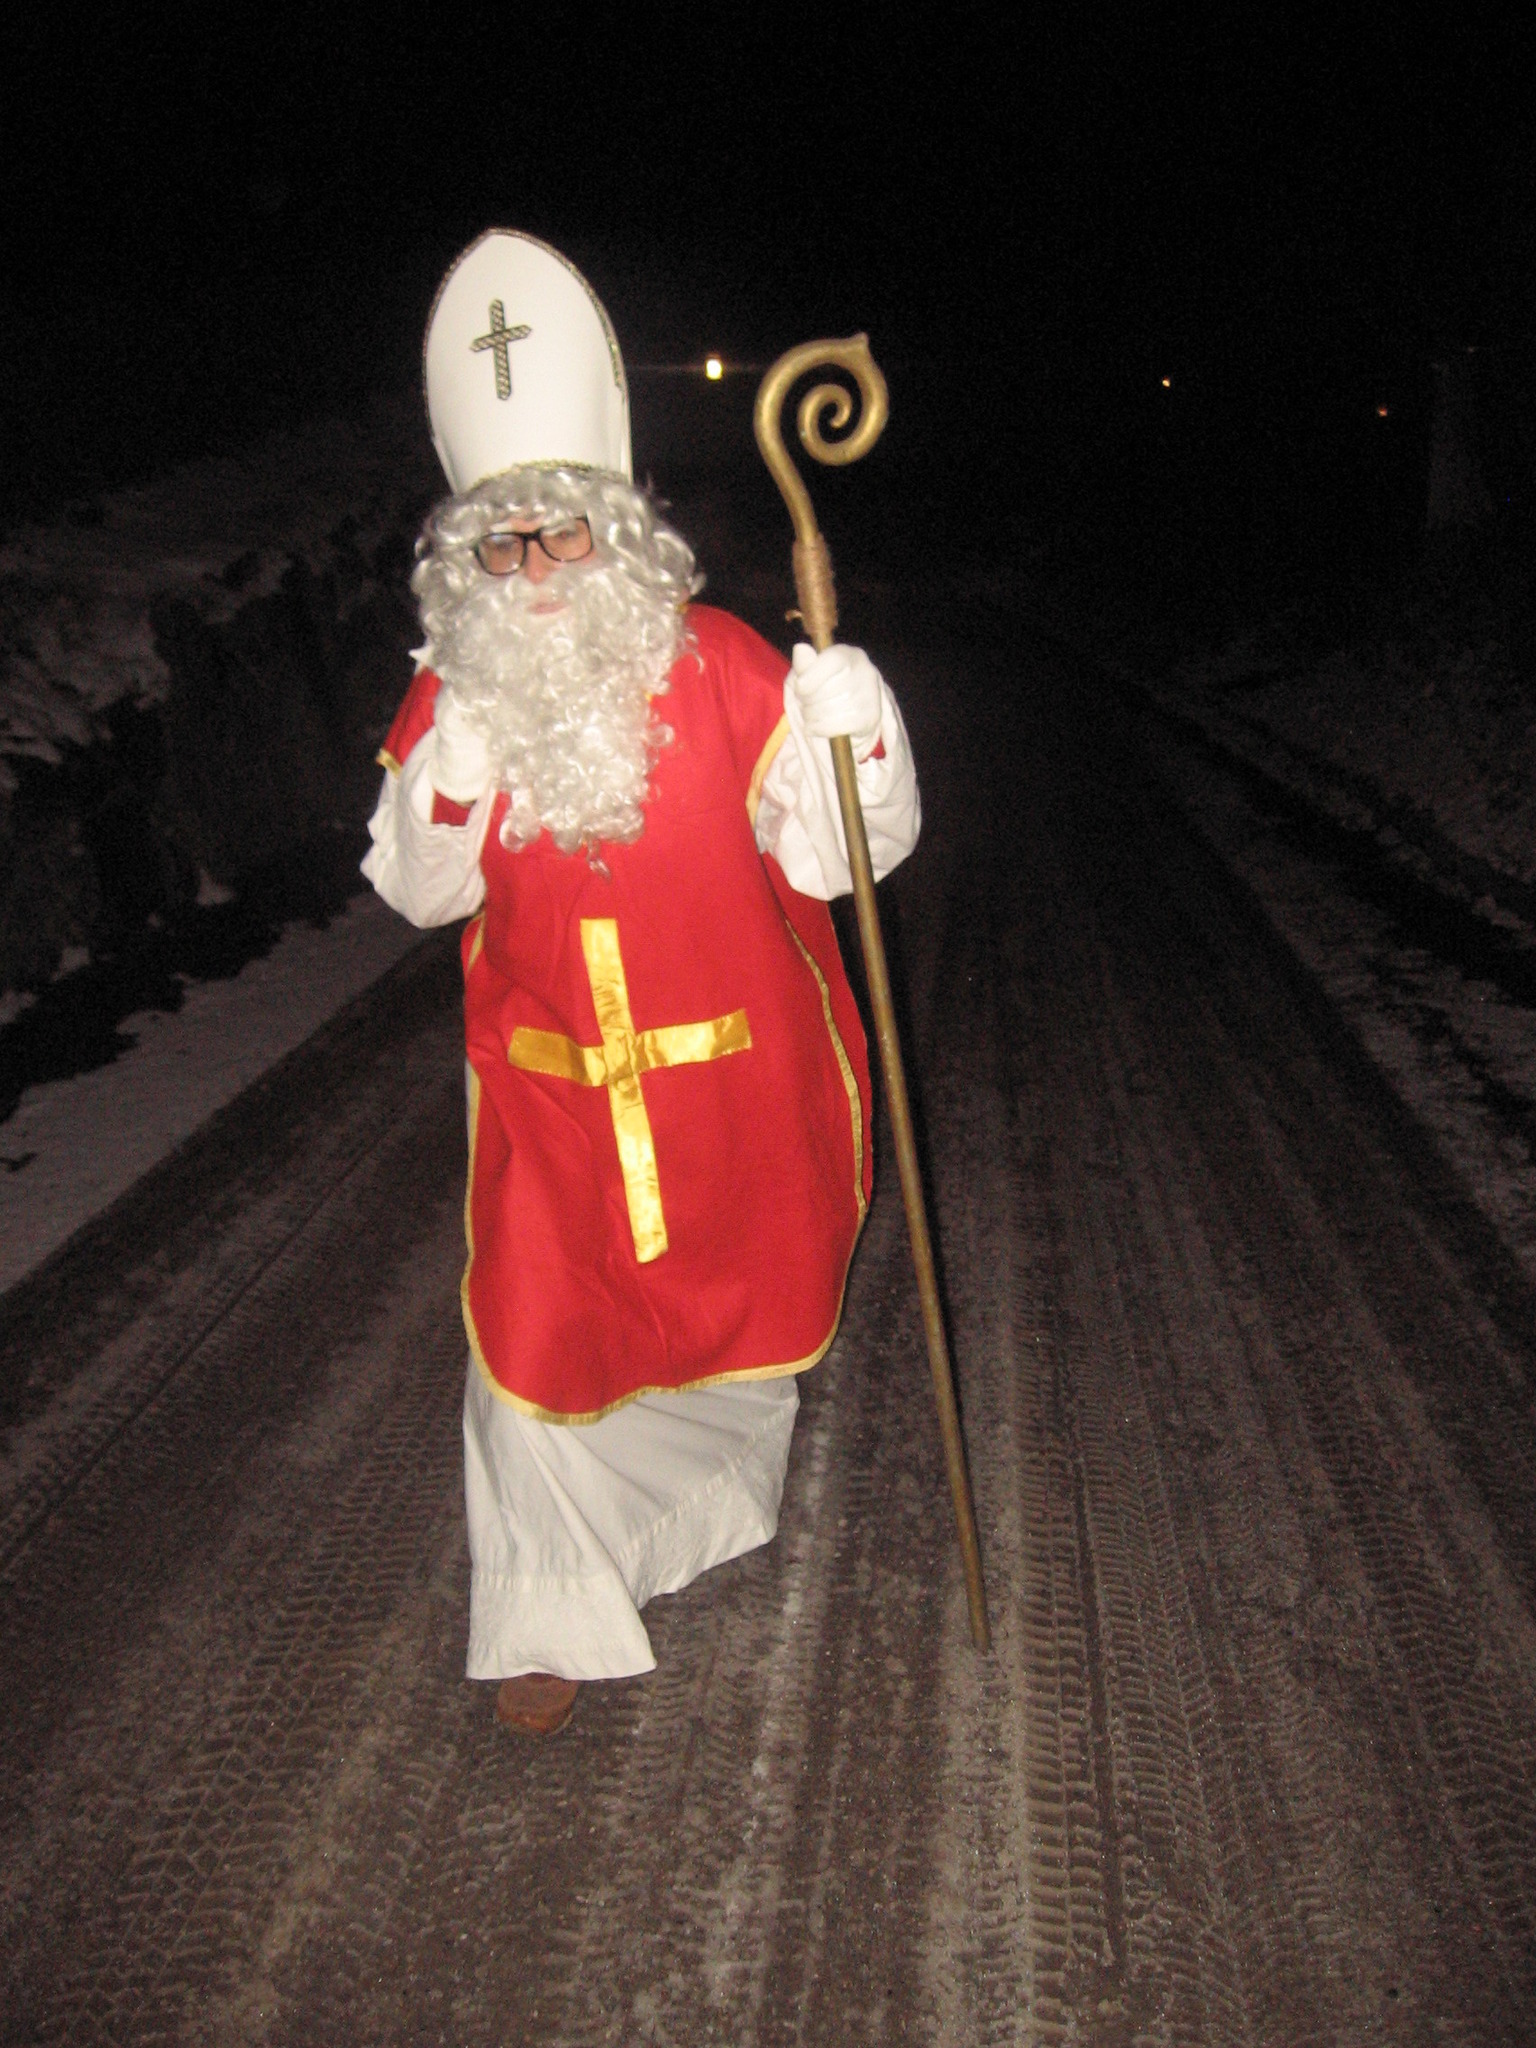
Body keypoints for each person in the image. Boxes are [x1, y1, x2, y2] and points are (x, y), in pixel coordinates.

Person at [363, 230, 920, 1735]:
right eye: (499, 545)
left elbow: (842, 857)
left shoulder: (734, 665)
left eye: (558, 537)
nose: (532, 572)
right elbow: (417, 891)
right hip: (547, 1085)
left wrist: (857, 732)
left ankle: (682, 1522)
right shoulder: (451, 695)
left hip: (725, 1076)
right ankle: (546, 1617)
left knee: (726, 1326)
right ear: (461, 562)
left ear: (618, 535)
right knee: (535, 1338)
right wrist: (459, 765)